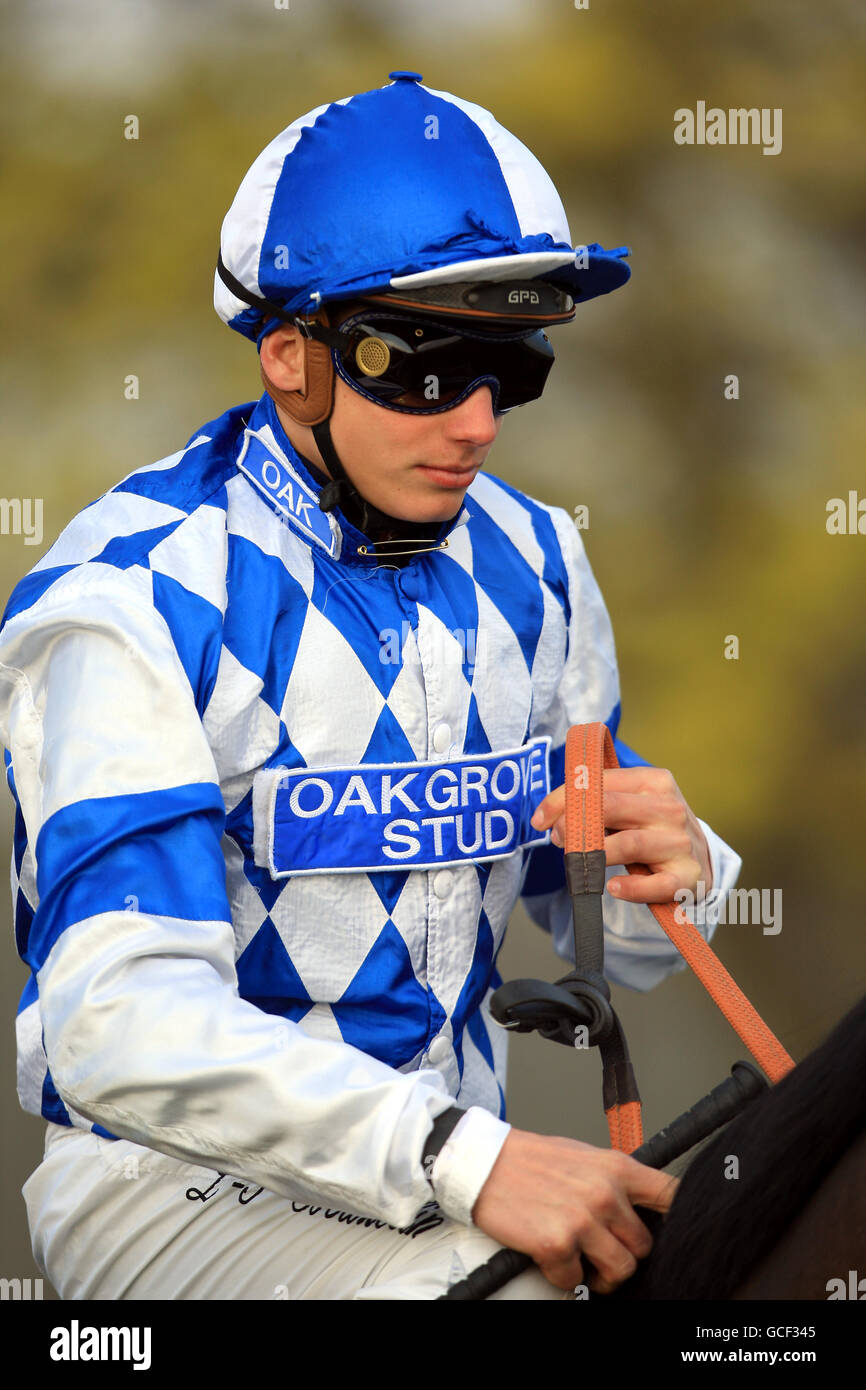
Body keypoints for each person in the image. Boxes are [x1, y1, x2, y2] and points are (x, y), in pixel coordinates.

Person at [0, 71, 741, 1301]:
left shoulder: (540, 563)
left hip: (456, 1179)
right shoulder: (124, 602)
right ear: (289, 358)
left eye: (511, 367)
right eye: (425, 366)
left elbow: (603, 934)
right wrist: (458, 1153)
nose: (478, 422)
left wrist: (680, 870)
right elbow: (118, 1028)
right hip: (166, 1198)